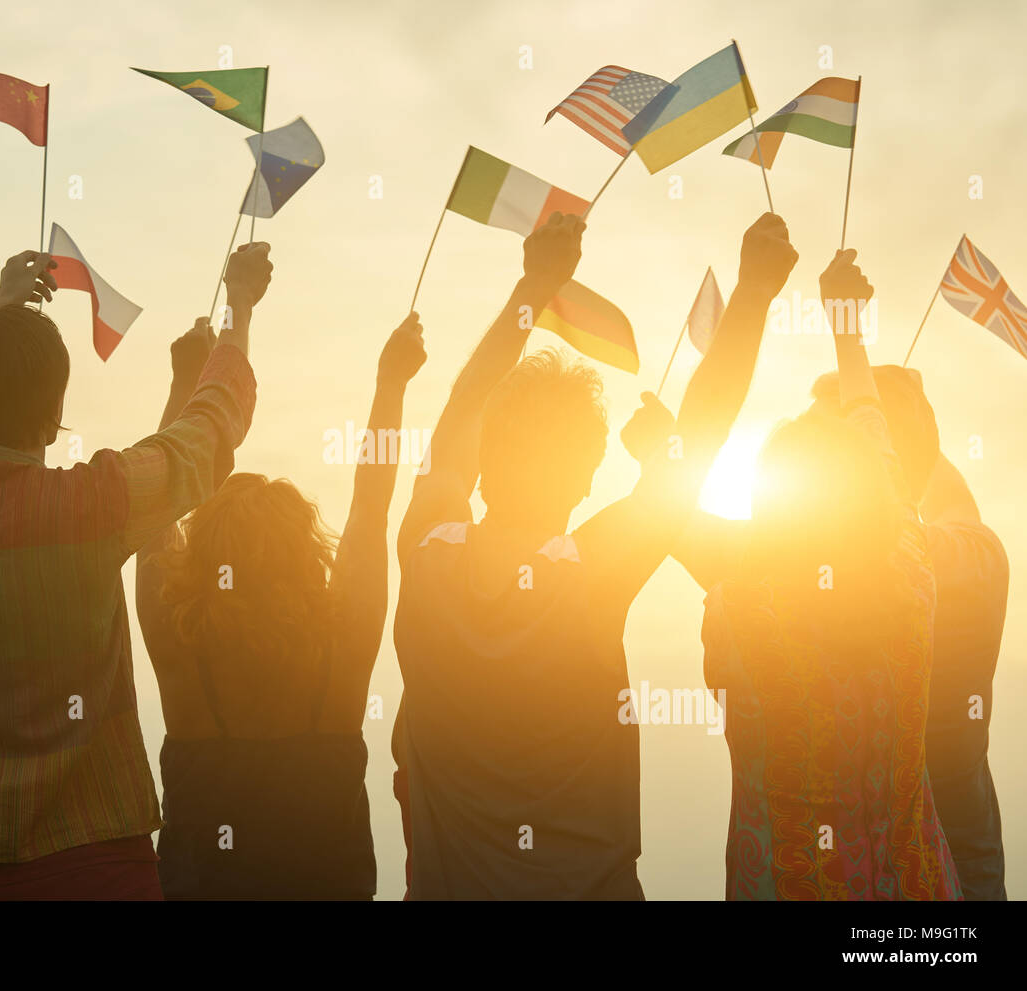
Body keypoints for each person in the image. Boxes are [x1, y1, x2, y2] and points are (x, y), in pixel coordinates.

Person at [392, 211, 798, 899]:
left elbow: (462, 408)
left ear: (484, 462)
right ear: (584, 476)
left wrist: (535, 286)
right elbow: (703, 428)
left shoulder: (425, 548)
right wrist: (755, 292)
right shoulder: (589, 575)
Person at [0, 243, 271, 899]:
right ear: (56, 418)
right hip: (102, 869)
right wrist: (240, 312)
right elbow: (210, 428)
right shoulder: (95, 504)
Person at [667, 365, 1008, 899]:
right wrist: (880, 391)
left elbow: (668, 517)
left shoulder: (738, 618)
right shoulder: (931, 578)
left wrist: (656, 455)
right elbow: (901, 484)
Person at [691, 250, 962, 899]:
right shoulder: (914, 582)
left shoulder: (741, 622)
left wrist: (755, 293)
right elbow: (881, 449)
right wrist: (846, 328)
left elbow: (672, 487)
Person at [135, 311, 427, 899]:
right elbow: (372, 504)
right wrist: (391, 384)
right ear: (304, 552)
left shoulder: (179, 647)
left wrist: (184, 384)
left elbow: (152, 511)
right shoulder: (343, 648)